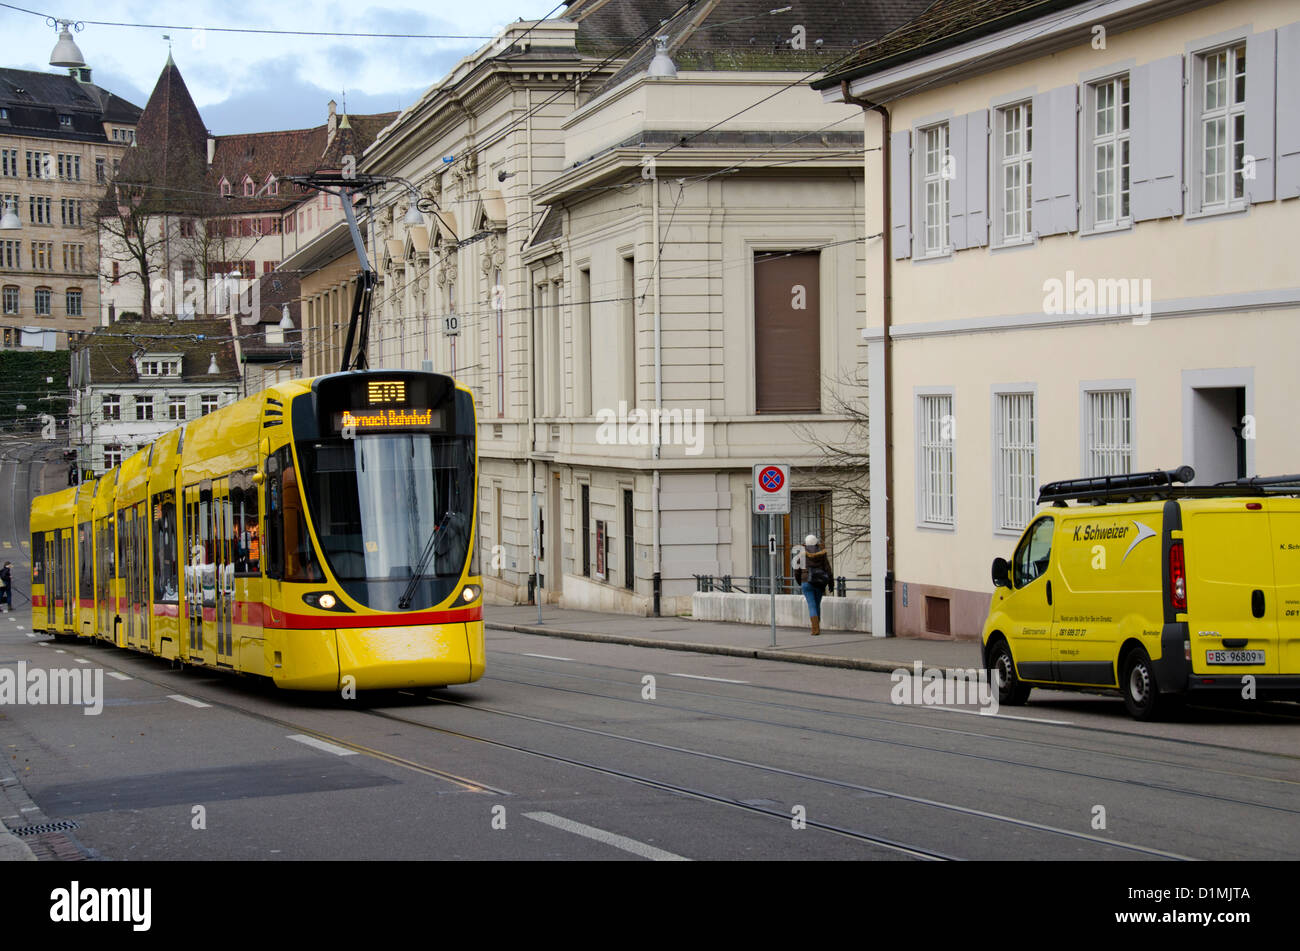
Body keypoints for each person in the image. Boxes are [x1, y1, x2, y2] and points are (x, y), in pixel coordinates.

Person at [794, 535, 832, 635]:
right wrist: (831, 583)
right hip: (819, 582)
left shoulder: (802, 554)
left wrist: (800, 581)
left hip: (806, 582)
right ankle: (817, 627)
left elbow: (797, 570)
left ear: (805, 543)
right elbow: (828, 569)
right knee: (817, 604)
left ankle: (815, 629)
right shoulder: (822, 553)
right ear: (816, 543)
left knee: (811, 605)